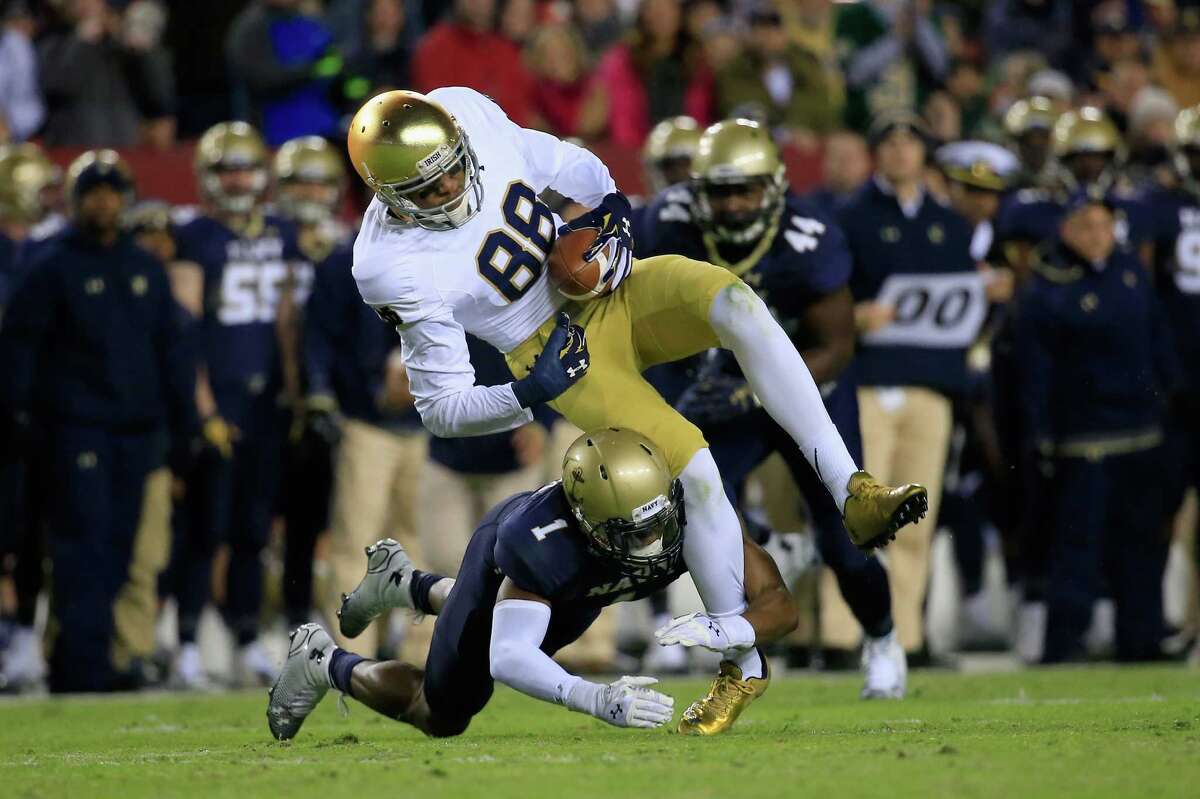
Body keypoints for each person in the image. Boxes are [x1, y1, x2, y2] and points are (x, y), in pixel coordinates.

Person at [344, 87, 926, 725]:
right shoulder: (389, 264)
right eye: (429, 189)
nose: (453, 185)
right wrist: (532, 391)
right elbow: (441, 409)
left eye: (455, 164)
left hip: (607, 286)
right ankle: (742, 669)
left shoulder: (469, 112)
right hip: (553, 349)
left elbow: (573, 168)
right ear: (389, 197)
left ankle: (855, 491)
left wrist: (614, 214)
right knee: (696, 468)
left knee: (736, 302)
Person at [268, 428, 799, 739]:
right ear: (587, 522)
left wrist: (728, 627)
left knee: (507, 633)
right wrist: (592, 698)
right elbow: (508, 655)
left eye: (658, 525)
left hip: (583, 587)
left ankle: (407, 584)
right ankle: (324, 661)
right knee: (446, 711)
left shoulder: (697, 508)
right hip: (520, 570)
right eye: (630, 533)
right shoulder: (542, 541)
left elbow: (779, 604)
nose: (652, 547)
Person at [639, 118, 906, 698]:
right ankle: (768, 546)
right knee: (690, 506)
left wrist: (753, 388)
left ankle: (883, 640)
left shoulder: (807, 238)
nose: (734, 204)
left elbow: (836, 346)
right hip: (719, 390)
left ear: (776, 188)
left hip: (809, 397)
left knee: (846, 539)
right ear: (698, 190)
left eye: (748, 190)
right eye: (721, 191)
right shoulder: (668, 221)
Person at [0, 151, 197, 692]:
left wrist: (184, 432)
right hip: (74, 432)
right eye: (94, 192)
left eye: (113, 192)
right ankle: (80, 667)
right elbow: (18, 350)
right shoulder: (50, 265)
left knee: (123, 550)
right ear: (75, 198)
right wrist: (20, 421)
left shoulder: (143, 269)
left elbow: (172, 355)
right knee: (79, 548)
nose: (105, 202)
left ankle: (111, 658)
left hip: (137, 434)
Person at [836, 112, 980, 655]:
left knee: (916, 518)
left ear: (924, 154)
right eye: (890, 143)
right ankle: (843, 635)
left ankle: (906, 637)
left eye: (910, 143)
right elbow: (822, 298)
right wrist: (854, 316)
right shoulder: (849, 218)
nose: (900, 153)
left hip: (929, 384)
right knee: (859, 512)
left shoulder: (951, 224)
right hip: (869, 383)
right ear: (877, 152)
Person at [1015, 190, 1177, 663]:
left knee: (1142, 544)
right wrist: (1041, 434)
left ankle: (1141, 638)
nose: (1097, 236)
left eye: (1104, 226)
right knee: (1077, 549)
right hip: (1082, 437)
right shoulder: (1048, 287)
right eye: (1085, 226)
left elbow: (1158, 339)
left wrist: (1171, 396)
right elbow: (1036, 371)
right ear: (1066, 231)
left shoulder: (1130, 273)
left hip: (1139, 432)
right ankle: (1065, 644)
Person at [169, 121, 303, 686]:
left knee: (252, 527)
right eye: (228, 169)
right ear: (209, 176)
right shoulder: (195, 235)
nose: (239, 178)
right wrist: (202, 406)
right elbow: (185, 324)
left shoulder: (281, 230)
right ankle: (187, 642)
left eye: (247, 167)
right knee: (205, 527)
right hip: (218, 395)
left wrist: (296, 392)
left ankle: (247, 636)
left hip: (266, 401)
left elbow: (288, 322)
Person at [271, 135, 349, 636]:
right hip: (270, 395)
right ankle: (271, 620)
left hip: (332, 397)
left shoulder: (351, 243)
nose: (309, 191)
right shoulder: (263, 240)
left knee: (324, 516)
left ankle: (308, 616)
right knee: (265, 515)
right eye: (299, 180)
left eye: (319, 181)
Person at [410, 0, 536, 126]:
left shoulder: (507, 50)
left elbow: (522, 111)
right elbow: (437, 110)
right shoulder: (435, 47)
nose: (478, 2)